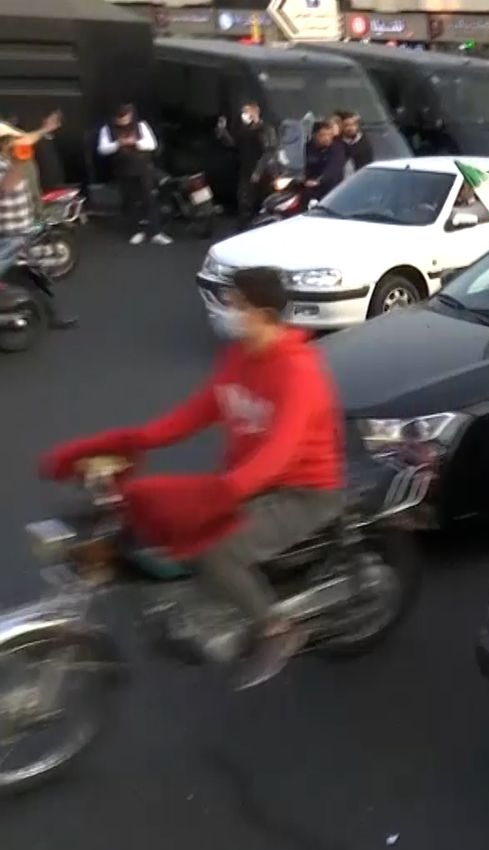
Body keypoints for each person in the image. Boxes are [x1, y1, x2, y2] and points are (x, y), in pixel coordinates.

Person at [39, 266, 346, 689]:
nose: (227, 311)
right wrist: (135, 440)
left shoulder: (299, 372)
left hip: (301, 492)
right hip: (246, 481)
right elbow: (202, 409)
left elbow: (280, 452)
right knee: (147, 519)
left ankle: (277, 628)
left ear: (261, 312)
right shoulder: (240, 355)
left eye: (236, 304)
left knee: (216, 550)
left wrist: (222, 493)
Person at [0, 117, 76, 329]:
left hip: (17, 230)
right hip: (12, 231)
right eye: (9, 140)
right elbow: (6, 187)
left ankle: (53, 317)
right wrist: (19, 164)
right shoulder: (6, 163)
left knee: (34, 276)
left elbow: (28, 140)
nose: (14, 143)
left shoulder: (7, 160)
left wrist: (44, 129)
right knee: (29, 275)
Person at [97, 103, 169, 246]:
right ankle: (136, 231)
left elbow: (152, 144)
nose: (124, 121)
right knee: (130, 201)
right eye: (120, 119)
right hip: (123, 170)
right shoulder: (107, 129)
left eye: (126, 117)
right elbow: (102, 149)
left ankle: (156, 232)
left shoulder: (141, 126)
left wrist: (136, 142)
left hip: (143, 168)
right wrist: (118, 143)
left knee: (150, 199)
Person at [216, 102, 274, 230]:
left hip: (262, 173)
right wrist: (222, 130)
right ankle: (244, 229)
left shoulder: (264, 129)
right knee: (244, 202)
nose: (243, 116)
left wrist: (258, 171)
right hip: (246, 170)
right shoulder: (245, 130)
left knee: (262, 202)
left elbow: (268, 152)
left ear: (254, 114)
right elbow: (233, 143)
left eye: (246, 113)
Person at [302, 120, 347, 201]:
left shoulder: (337, 148)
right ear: (314, 135)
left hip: (330, 188)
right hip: (308, 185)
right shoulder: (307, 148)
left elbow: (334, 168)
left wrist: (319, 181)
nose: (327, 138)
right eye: (323, 135)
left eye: (329, 135)